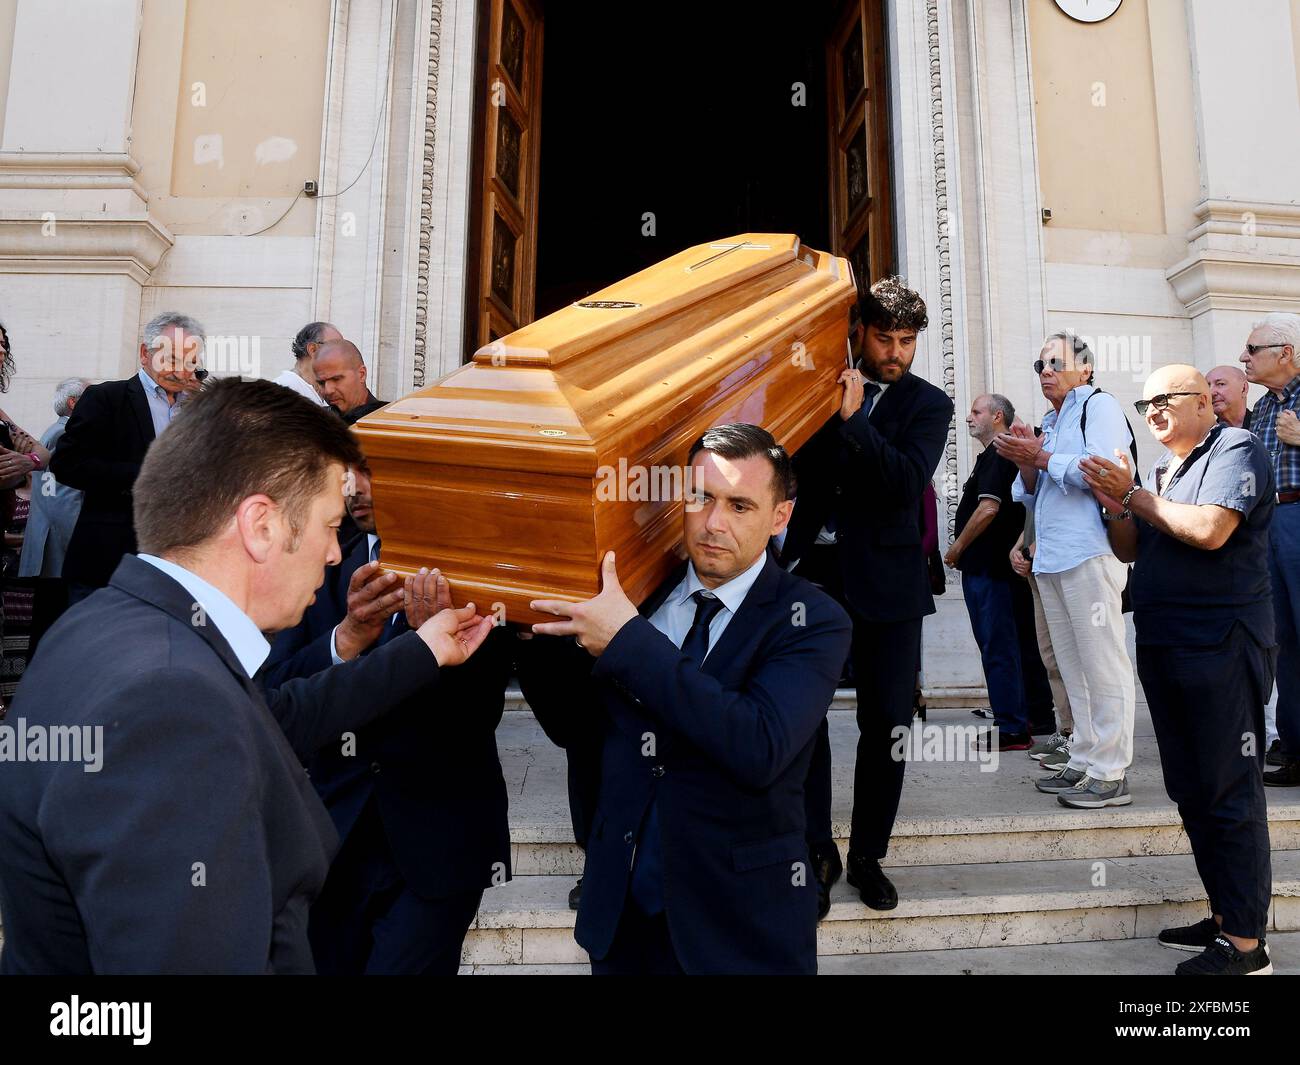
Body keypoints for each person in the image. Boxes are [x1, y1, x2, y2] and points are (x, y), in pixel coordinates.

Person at [0, 379, 494, 973]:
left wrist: (422, 650)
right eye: (328, 525)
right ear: (261, 525)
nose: (336, 554)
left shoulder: (100, 625)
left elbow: (276, 716)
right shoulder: (169, 696)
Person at [526, 424, 851, 974]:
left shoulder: (812, 619)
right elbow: (573, 726)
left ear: (781, 516)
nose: (714, 523)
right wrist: (528, 633)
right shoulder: (634, 593)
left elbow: (758, 743)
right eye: (700, 498)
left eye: (740, 505)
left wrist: (627, 642)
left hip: (741, 928)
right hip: (623, 920)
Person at [260, 402, 512, 975]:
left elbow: (479, 713)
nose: (356, 489)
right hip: (332, 841)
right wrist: (347, 640)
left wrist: (428, 652)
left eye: (373, 471)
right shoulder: (322, 564)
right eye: (349, 472)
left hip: (436, 845)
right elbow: (273, 698)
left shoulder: (476, 571)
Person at [1081, 365, 1275, 975]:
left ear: (1205, 404)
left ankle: (1247, 945)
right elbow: (1132, 548)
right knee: (1190, 789)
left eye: (1167, 399)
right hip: (1167, 643)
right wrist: (1114, 506)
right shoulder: (1168, 471)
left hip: (1221, 644)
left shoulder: (1235, 448)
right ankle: (1223, 916)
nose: (1154, 410)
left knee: (1228, 789)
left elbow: (1211, 531)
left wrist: (1135, 495)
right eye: (1147, 402)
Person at [781, 276, 953, 912]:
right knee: (805, 721)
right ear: (858, 331)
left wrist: (856, 423)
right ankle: (815, 852)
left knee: (888, 726)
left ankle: (867, 856)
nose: (896, 353)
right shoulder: (816, 389)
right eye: (885, 338)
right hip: (813, 581)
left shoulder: (928, 405)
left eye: (907, 342)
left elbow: (905, 483)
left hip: (890, 588)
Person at [994, 331, 1137, 809]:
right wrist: (1028, 456)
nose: (1046, 373)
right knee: (1072, 664)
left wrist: (1039, 455)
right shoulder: (1054, 420)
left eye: (1055, 363)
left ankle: (1111, 769)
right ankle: (1083, 755)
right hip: (1054, 555)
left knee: (1102, 661)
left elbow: (1100, 471)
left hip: (1090, 551)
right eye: (1040, 367)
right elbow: (1035, 491)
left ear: (1087, 367)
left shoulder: (1100, 407)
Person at [50, 311, 206, 598]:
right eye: (170, 358)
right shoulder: (107, 398)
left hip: (179, 566)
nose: (180, 370)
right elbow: (67, 463)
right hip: (108, 562)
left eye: (189, 361)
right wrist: (145, 476)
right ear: (145, 353)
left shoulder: (201, 409)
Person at [945, 394, 1032, 750]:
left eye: (976, 411)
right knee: (1004, 645)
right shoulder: (995, 455)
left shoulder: (999, 453)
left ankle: (1012, 727)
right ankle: (1020, 718)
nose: (968, 417)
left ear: (998, 417)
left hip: (990, 569)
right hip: (990, 569)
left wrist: (956, 548)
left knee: (998, 646)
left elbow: (987, 510)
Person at [1241, 312, 1300, 788]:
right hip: (1269, 525)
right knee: (1284, 643)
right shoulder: (1260, 408)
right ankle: (1296, 750)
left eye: (1253, 349)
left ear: (1286, 353)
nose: (1245, 358)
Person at [275, 321, 341, 406]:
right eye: (336, 347)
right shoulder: (284, 390)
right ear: (313, 350)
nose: (342, 354)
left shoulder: (320, 392)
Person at [314, 339, 379, 416]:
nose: (328, 390)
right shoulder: (315, 422)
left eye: (336, 379)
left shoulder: (385, 422)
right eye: (321, 383)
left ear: (362, 374)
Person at [1207, 365, 1251, 431]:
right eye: (1207, 387)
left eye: (1220, 384)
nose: (1211, 393)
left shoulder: (1266, 425)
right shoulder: (1206, 437)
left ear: (1244, 389)